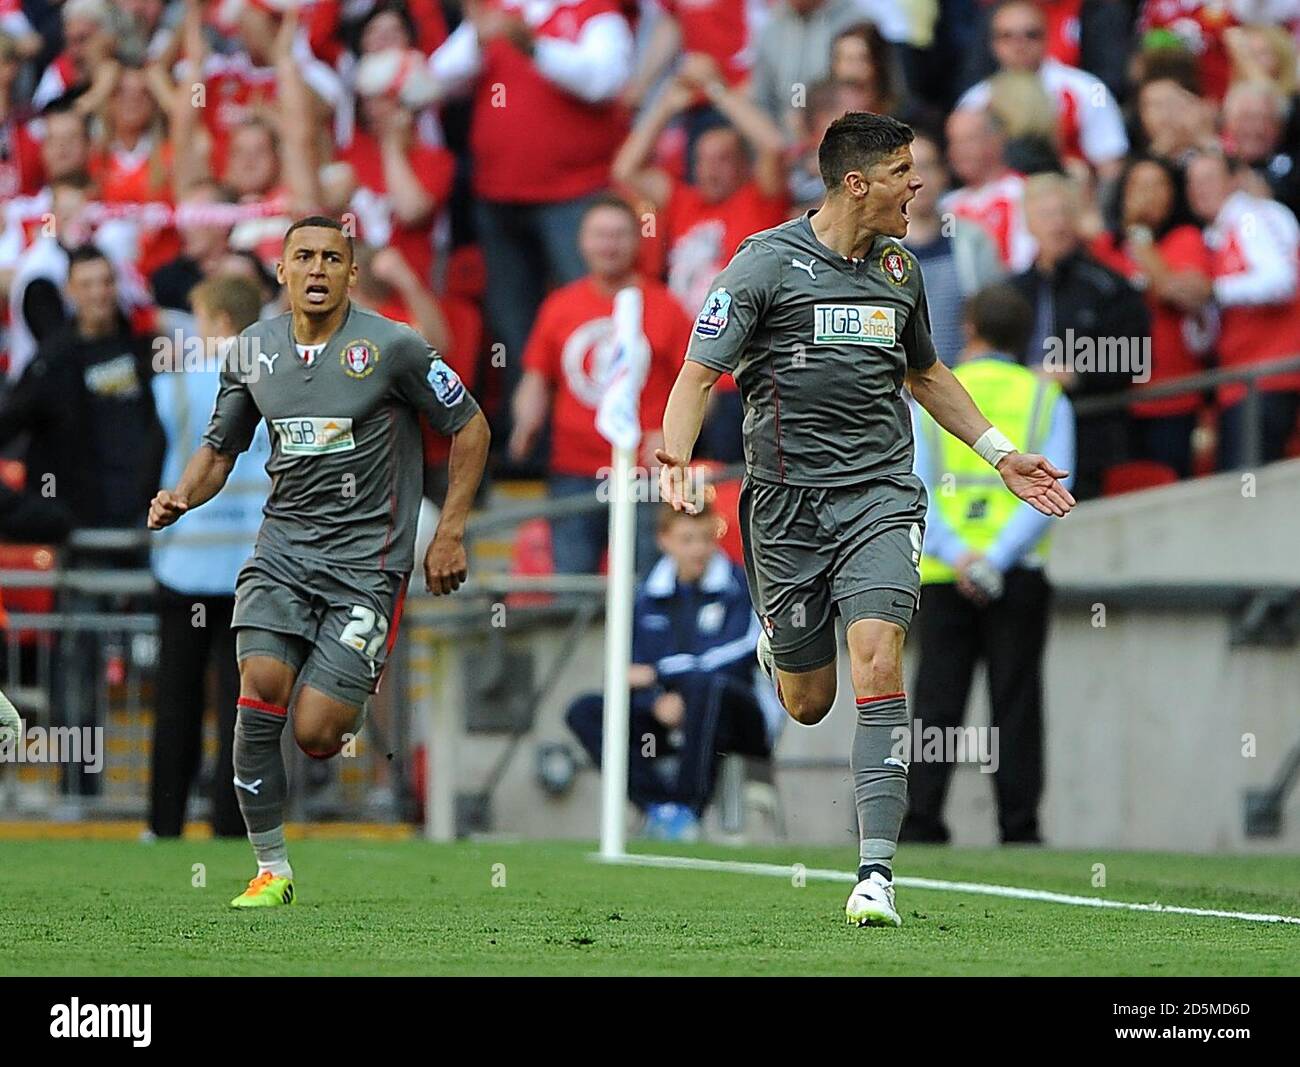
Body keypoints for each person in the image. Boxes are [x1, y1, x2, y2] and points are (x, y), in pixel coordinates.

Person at [656, 112, 1075, 928]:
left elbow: (926, 374)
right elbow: (699, 371)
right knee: (809, 701)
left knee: (879, 656)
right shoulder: (761, 266)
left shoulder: (898, 268)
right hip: (784, 508)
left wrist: (999, 452)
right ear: (857, 183)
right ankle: (783, 640)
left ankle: (875, 871)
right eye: (902, 171)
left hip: (881, 494)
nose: (916, 185)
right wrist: (674, 457)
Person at [147, 216, 490, 907]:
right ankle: (271, 868)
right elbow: (220, 449)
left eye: (332, 257)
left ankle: (341, 700)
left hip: (367, 565)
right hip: (282, 553)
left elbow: (470, 425)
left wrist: (449, 532)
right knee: (259, 688)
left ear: (350, 273)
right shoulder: (252, 350)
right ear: (281, 271)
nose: (317, 268)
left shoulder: (393, 346)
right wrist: (182, 494)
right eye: (302, 256)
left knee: (315, 733)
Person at [905, 282, 1075, 844]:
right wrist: (996, 558)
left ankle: (922, 821)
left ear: (971, 329)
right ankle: (1019, 828)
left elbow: (918, 486)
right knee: (1018, 701)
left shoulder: (935, 393)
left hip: (942, 571)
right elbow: (1053, 491)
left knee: (935, 704)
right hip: (1017, 572)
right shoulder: (1044, 398)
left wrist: (960, 554)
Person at [509, 195, 691, 577]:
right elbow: (537, 377)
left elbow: (697, 385)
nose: (609, 245)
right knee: (572, 579)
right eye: (599, 235)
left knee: (645, 582)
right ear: (582, 241)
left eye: (619, 235)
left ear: (636, 241)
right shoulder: (560, 305)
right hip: (574, 470)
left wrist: (673, 438)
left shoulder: (666, 307)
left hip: (645, 472)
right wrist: (525, 426)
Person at [565, 501, 770, 840]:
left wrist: (661, 676)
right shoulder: (646, 596)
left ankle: (688, 807)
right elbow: (628, 669)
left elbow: (743, 653)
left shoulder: (740, 586)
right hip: (666, 715)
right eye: (687, 539)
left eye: (706, 538)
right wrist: (654, 702)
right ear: (664, 540)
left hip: (739, 717)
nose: (699, 549)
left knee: (708, 687)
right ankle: (661, 808)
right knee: (585, 711)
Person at [148, 274, 270, 840]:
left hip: (185, 563)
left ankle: (164, 824)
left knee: (176, 701)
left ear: (219, 322)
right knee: (242, 707)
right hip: (253, 567)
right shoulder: (281, 383)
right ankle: (231, 826)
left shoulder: (176, 385)